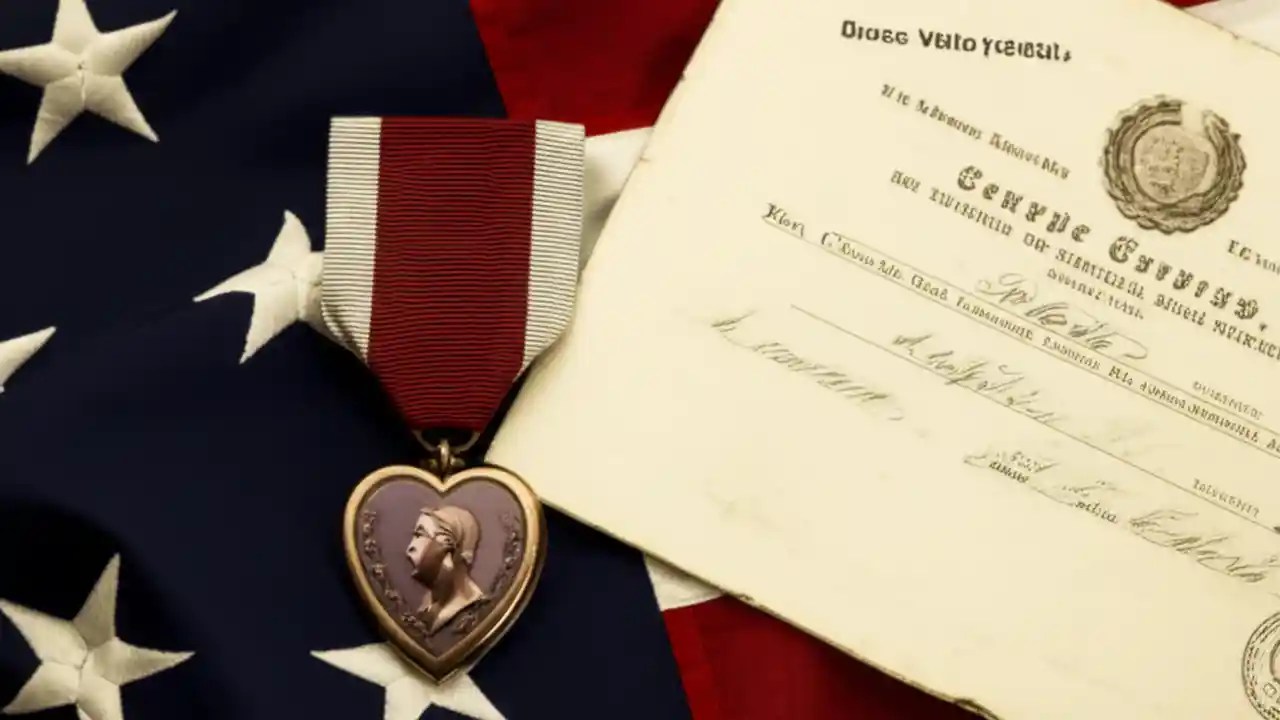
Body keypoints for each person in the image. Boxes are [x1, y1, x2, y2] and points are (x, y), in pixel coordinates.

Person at [404, 505, 485, 635]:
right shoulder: (425, 609)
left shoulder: (472, 607)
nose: (409, 549)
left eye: (420, 535)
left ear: (446, 544)